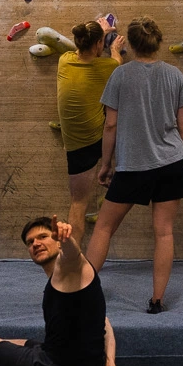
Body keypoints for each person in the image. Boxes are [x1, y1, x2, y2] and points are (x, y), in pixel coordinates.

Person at [85, 16, 183, 313]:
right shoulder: (175, 75)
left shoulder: (119, 76)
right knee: (164, 232)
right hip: (171, 162)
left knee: (104, 228)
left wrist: (105, 164)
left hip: (133, 165)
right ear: (157, 42)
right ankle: (157, 300)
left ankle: (80, 292)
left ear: (130, 44)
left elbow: (110, 126)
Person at [0, 215, 115, 366]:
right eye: (30, 242)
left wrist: (67, 239)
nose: (35, 244)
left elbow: (72, 254)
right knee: (12, 342)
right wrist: (110, 362)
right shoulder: (70, 277)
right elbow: (104, 321)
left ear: (58, 241)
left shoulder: (70, 267)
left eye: (43, 237)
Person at [58, 17, 127, 231]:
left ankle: (73, 259)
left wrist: (99, 34)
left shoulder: (64, 60)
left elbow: (85, 51)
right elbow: (117, 60)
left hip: (74, 145)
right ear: (99, 44)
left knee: (78, 203)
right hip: (96, 139)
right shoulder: (106, 67)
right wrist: (113, 46)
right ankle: (111, 173)